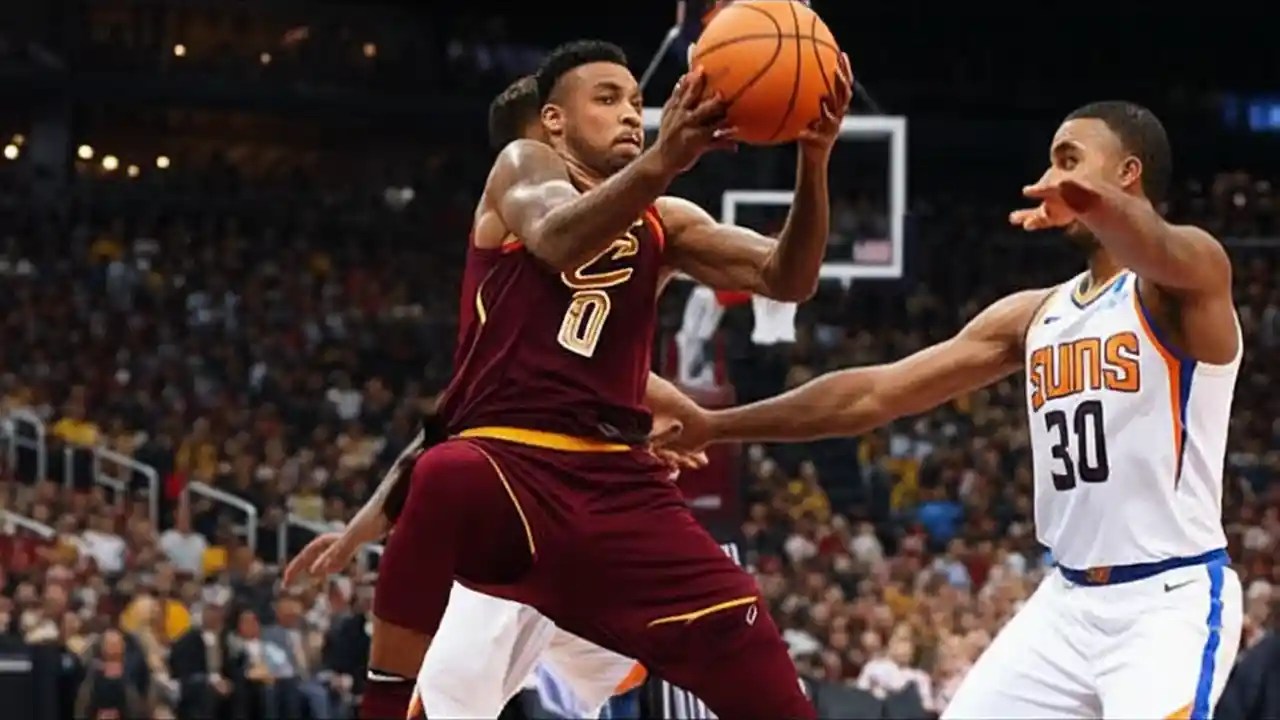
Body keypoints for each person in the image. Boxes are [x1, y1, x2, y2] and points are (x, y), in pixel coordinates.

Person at [674, 100, 1244, 719]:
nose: (1051, 177)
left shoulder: (1185, 281)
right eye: (1052, 163)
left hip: (1167, 600)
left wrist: (1094, 204)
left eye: (1069, 160)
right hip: (1068, 600)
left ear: (1129, 173)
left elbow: (1157, 243)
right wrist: (717, 424)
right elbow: (875, 393)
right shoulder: (1035, 316)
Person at [341, 39, 850, 719]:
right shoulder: (522, 165)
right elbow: (557, 239)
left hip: (615, 479)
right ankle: (381, 706)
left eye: (636, 101)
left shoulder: (667, 220)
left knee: (740, 623)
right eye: (607, 99)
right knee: (448, 475)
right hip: (512, 461)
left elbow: (790, 277)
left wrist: (813, 163)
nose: (631, 114)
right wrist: (664, 160)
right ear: (553, 120)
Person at [286, 74, 689, 718]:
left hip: (586, 516)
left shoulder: (627, 240)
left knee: (673, 645)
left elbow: (615, 374)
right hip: (515, 518)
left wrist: (647, 434)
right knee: (451, 694)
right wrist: (364, 526)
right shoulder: (515, 265)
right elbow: (454, 421)